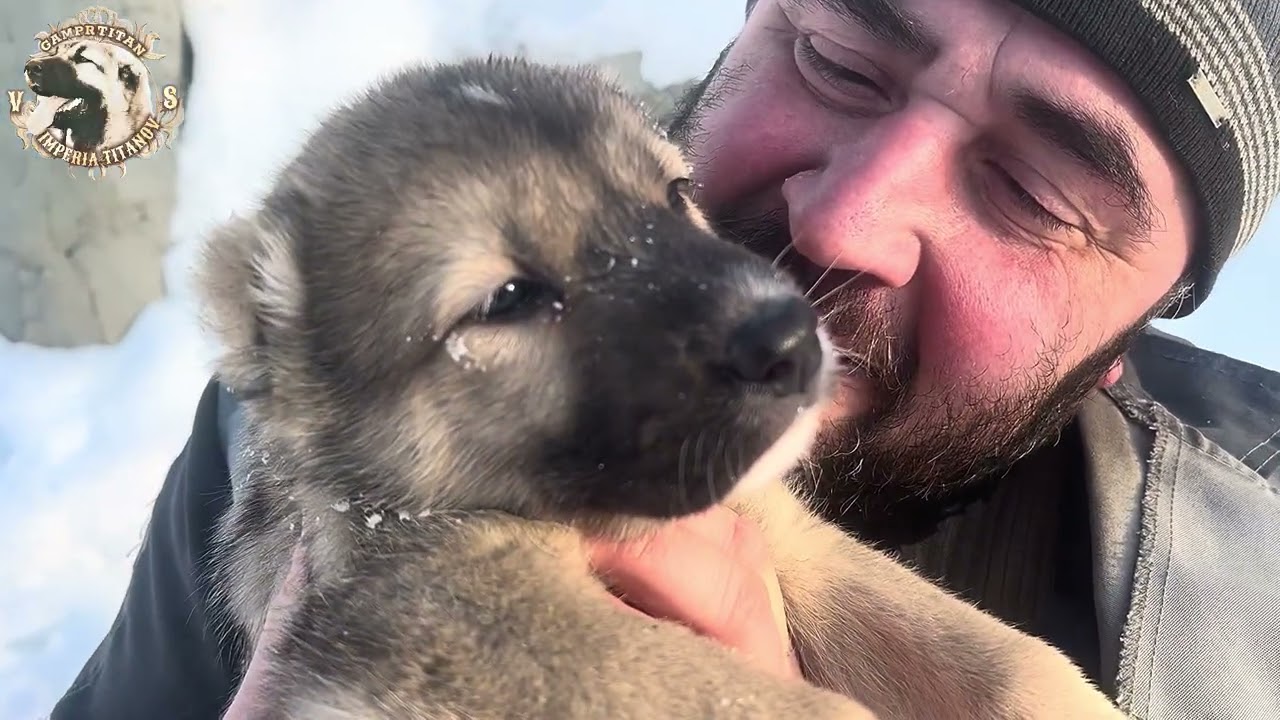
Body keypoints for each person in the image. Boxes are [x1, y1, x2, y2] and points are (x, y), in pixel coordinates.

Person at [51, 0, 1280, 717]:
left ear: (1137, 331)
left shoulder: (1252, 583)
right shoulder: (315, 403)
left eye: (1031, 191)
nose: (838, 227)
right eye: (837, 60)